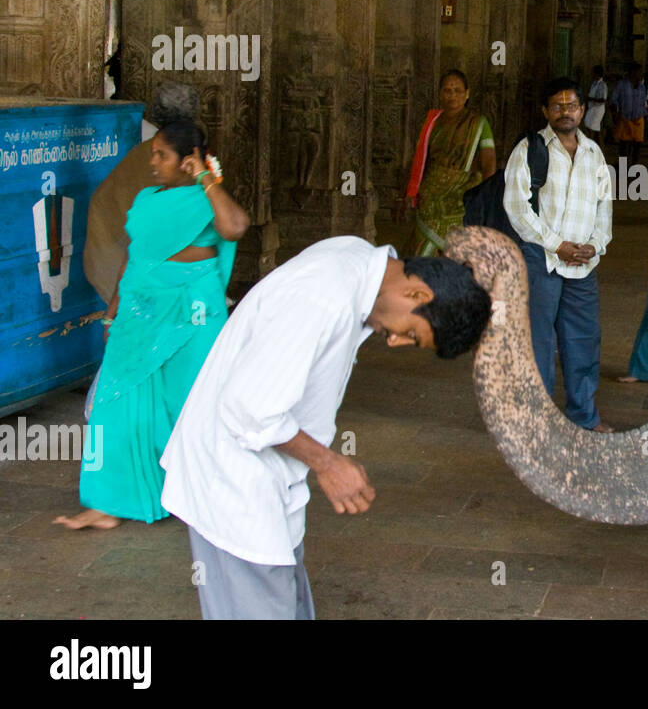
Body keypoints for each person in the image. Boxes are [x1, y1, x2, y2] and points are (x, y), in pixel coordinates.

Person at [160, 237, 492, 619]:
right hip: (232, 478)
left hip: (268, 477)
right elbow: (249, 410)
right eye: (412, 333)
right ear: (416, 291)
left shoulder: (357, 259)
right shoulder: (323, 296)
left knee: (287, 602)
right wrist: (329, 464)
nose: (396, 341)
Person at [54, 119, 250, 530]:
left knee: (191, 407)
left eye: (162, 154)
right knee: (113, 403)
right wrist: (113, 311)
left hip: (190, 317)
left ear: (187, 161)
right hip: (139, 313)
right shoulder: (145, 199)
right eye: (154, 152)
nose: (153, 161)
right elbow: (134, 257)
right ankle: (105, 502)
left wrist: (206, 179)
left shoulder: (206, 199)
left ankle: (204, 496)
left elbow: (234, 227)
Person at [504, 78, 614, 432]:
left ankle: (584, 415)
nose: (564, 112)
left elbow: (604, 208)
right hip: (542, 258)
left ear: (583, 110)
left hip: (582, 264)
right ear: (545, 111)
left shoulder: (594, 153)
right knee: (538, 340)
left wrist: (594, 245)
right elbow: (518, 208)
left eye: (571, 105)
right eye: (557, 106)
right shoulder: (529, 149)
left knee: (582, 339)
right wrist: (557, 244)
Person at [84, 81, 200, 304]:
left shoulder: (148, 150)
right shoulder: (170, 161)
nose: (156, 161)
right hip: (137, 269)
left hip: (126, 264)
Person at [405, 69, 496, 255]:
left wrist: (488, 196)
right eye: (447, 90)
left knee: (457, 252)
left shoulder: (478, 123)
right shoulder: (432, 122)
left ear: (467, 94)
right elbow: (420, 159)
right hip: (431, 197)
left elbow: (489, 162)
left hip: (462, 196)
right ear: (440, 93)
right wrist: (405, 194)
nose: (452, 95)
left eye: (457, 90)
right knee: (421, 249)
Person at [609, 63, 648, 164]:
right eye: (639, 72)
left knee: (637, 148)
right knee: (624, 148)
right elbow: (613, 100)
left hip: (639, 121)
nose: (641, 74)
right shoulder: (621, 85)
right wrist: (615, 115)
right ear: (632, 72)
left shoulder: (642, 87)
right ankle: (623, 171)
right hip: (625, 120)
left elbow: (644, 104)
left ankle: (634, 169)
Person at [583, 65, 608, 144]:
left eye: (593, 73)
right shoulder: (594, 83)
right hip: (592, 108)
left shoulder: (602, 85)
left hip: (597, 109)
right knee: (591, 129)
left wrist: (590, 99)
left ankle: (593, 148)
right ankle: (595, 147)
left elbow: (603, 99)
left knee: (592, 130)